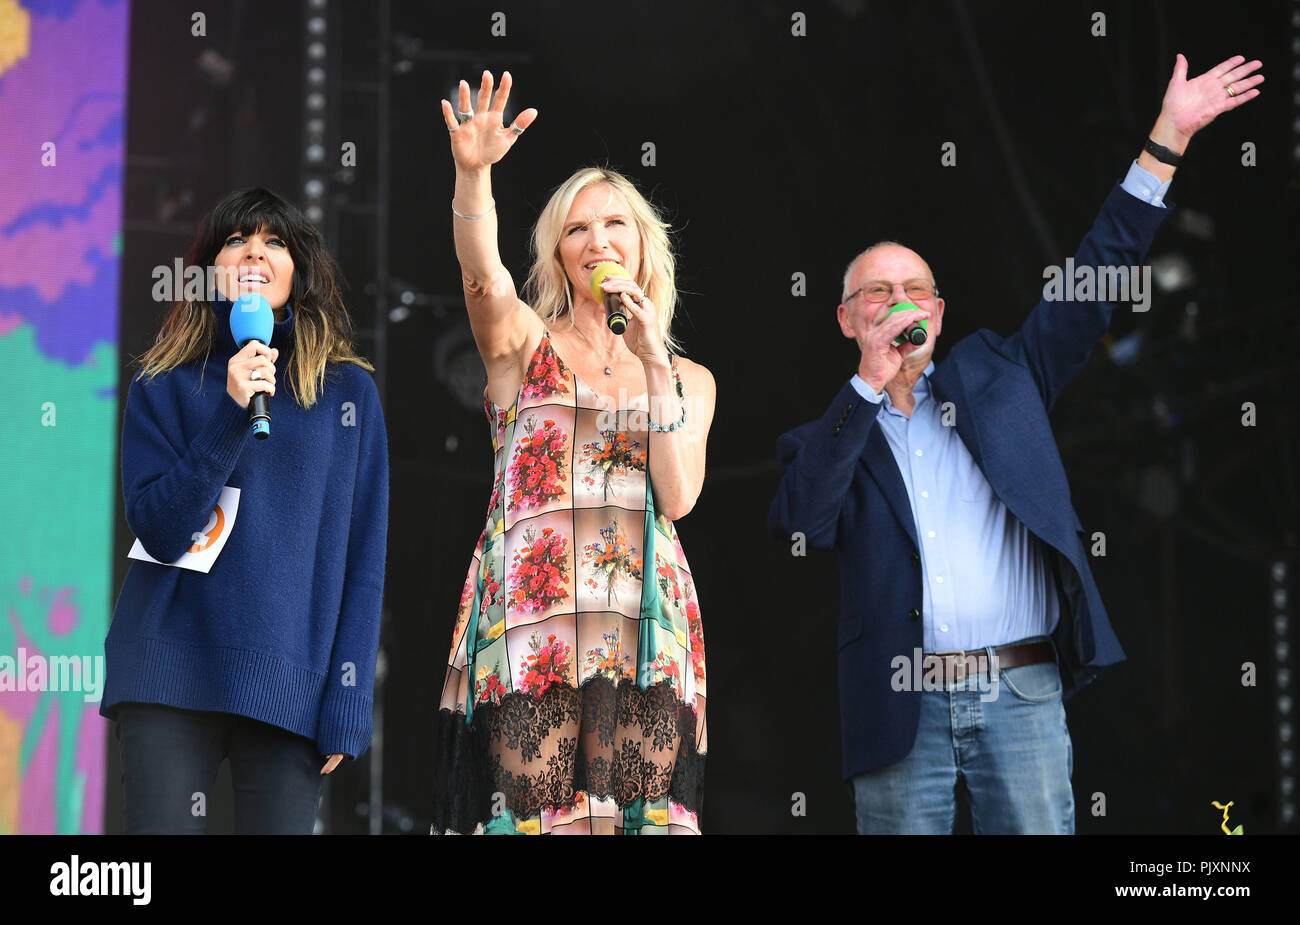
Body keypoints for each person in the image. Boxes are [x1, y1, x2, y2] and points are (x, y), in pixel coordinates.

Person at [769, 54, 1262, 834]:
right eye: (876, 293)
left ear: (940, 307)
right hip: (902, 705)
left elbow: (1094, 278)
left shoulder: (1004, 372)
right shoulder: (825, 435)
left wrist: (1166, 140)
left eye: (913, 291)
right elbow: (801, 524)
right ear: (845, 319)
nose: (898, 304)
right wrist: (868, 385)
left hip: (1021, 690)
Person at [432, 71, 716, 835]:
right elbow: (482, 273)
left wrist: (655, 362)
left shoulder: (688, 376)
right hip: (539, 610)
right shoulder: (526, 346)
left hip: (643, 617)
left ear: (643, 245)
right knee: (547, 825)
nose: (598, 241)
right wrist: (473, 172)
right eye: (577, 229)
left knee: (647, 824)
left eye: (615, 224)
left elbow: (679, 494)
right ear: (558, 254)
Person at [100, 188, 389, 834]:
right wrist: (232, 413)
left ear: (300, 269)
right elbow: (160, 528)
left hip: (291, 683)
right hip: (168, 671)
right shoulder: (163, 382)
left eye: (275, 241)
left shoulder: (348, 393)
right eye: (236, 239)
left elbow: (363, 561)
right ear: (209, 268)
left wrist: (348, 697)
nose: (255, 250)